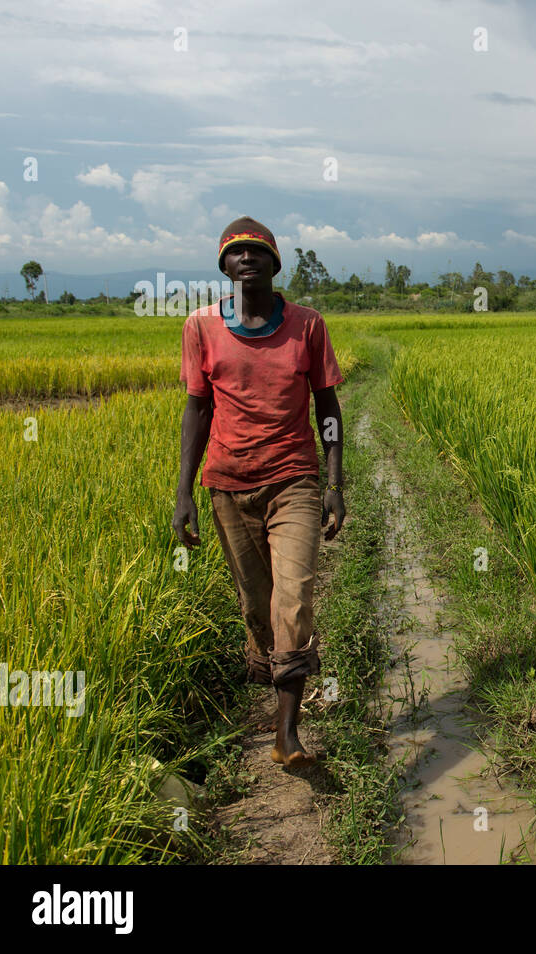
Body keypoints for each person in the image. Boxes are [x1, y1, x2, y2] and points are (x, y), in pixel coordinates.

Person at [173, 216, 346, 767]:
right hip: (227, 486)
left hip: (294, 479)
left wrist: (334, 482)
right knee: (257, 606)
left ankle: (287, 733)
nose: (246, 258)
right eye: (236, 252)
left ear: (274, 264)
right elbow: (197, 409)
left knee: (292, 598)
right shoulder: (200, 327)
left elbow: (328, 407)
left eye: (257, 251)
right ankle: (272, 687)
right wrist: (183, 494)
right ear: (224, 267)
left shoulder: (308, 326)